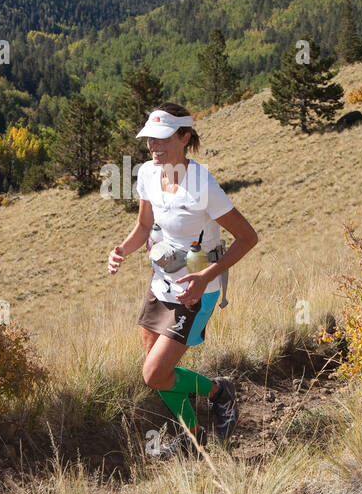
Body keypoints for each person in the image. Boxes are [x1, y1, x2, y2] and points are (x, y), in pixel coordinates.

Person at [107, 102, 259, 457]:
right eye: (149, 140)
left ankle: (219, 393)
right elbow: (145, 225)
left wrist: (206, 276)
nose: (153, 147)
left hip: (196, 290)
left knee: (154, 374)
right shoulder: (147, 172)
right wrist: (122, 250)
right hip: (161, 282)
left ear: (184, 137)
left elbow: (248, 237)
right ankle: (194, 438)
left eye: (161, 139)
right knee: (156, 367)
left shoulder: (203, 184)